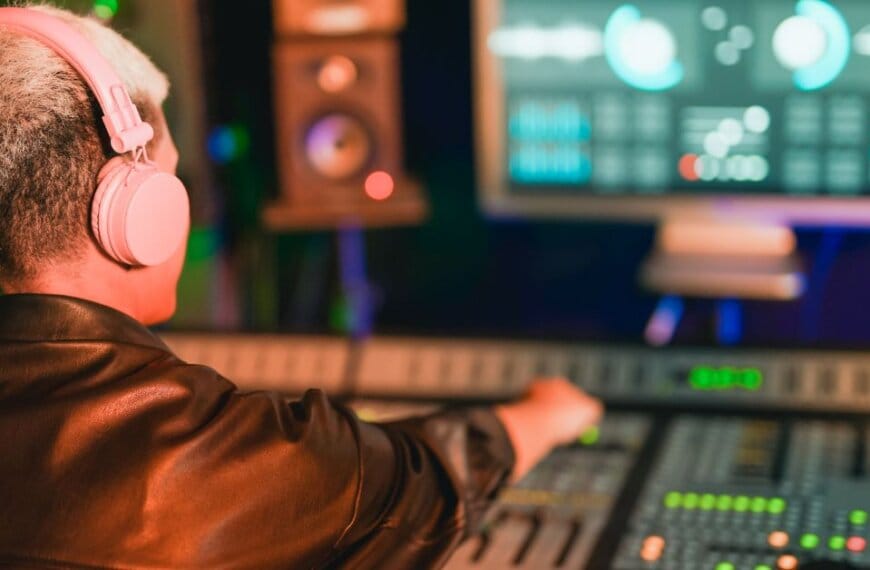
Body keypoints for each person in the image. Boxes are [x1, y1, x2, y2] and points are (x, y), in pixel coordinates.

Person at [0, 4, 603, 569]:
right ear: (136, 214)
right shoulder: (190, 451)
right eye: (171, 175)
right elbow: (419, 487)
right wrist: (543, 416)